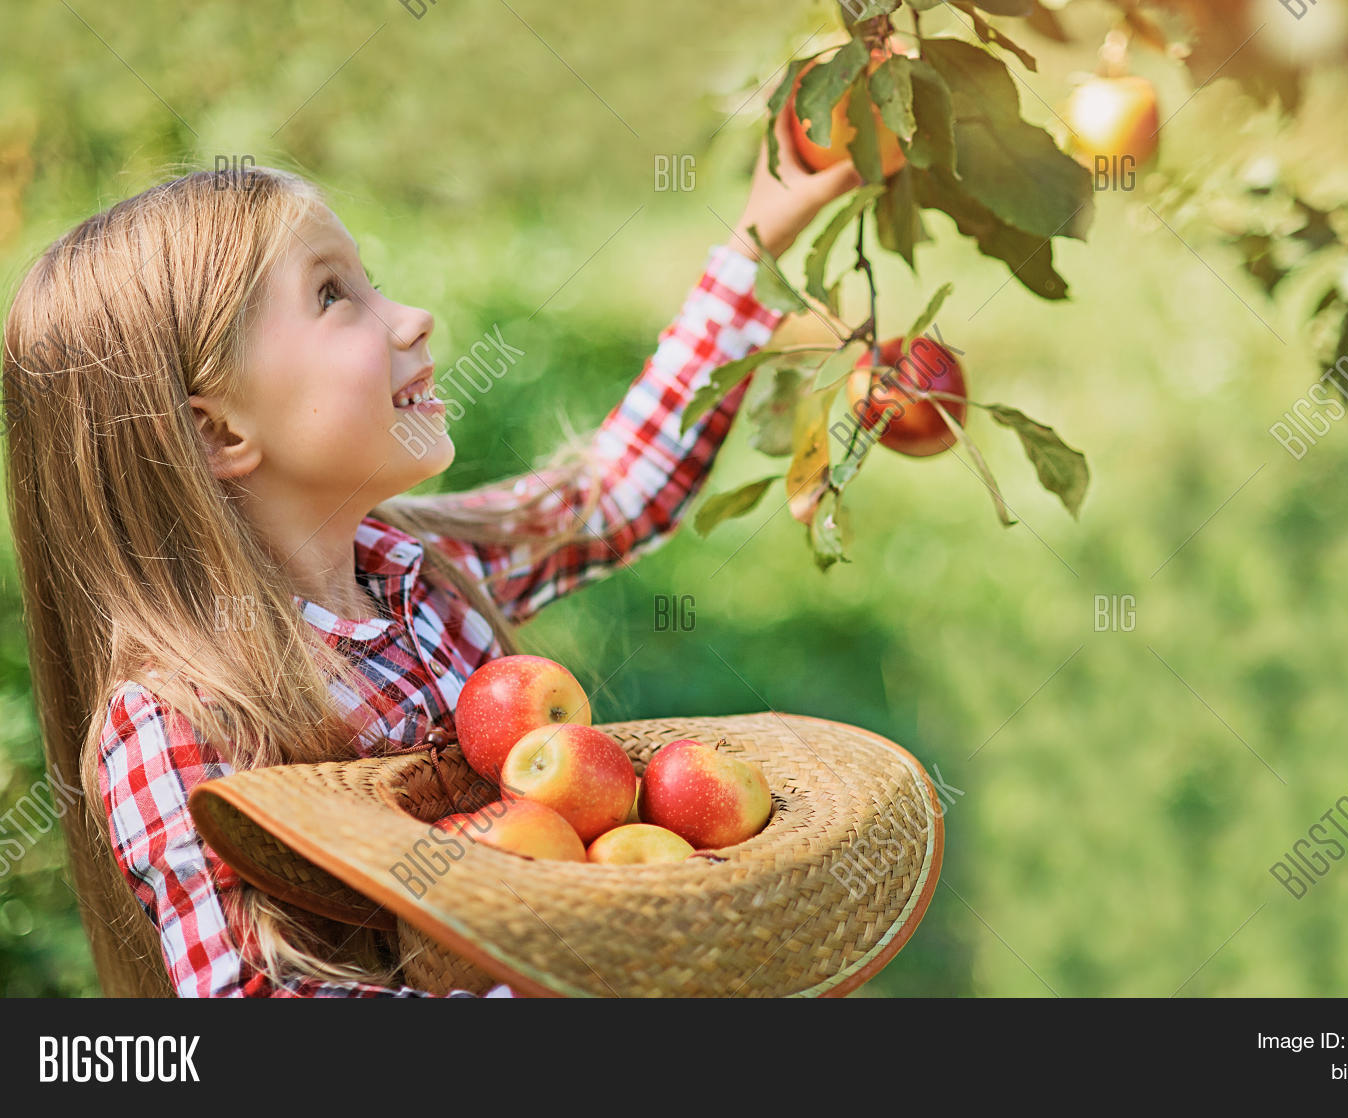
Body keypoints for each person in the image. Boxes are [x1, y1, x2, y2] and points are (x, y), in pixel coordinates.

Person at [2, 107, 861, 996]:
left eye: (370, 282)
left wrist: (761, 235)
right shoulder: (185, 719)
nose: (413, 319)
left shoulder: (421, 572)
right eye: (334, 295)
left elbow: (610, 498)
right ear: (218, 429)